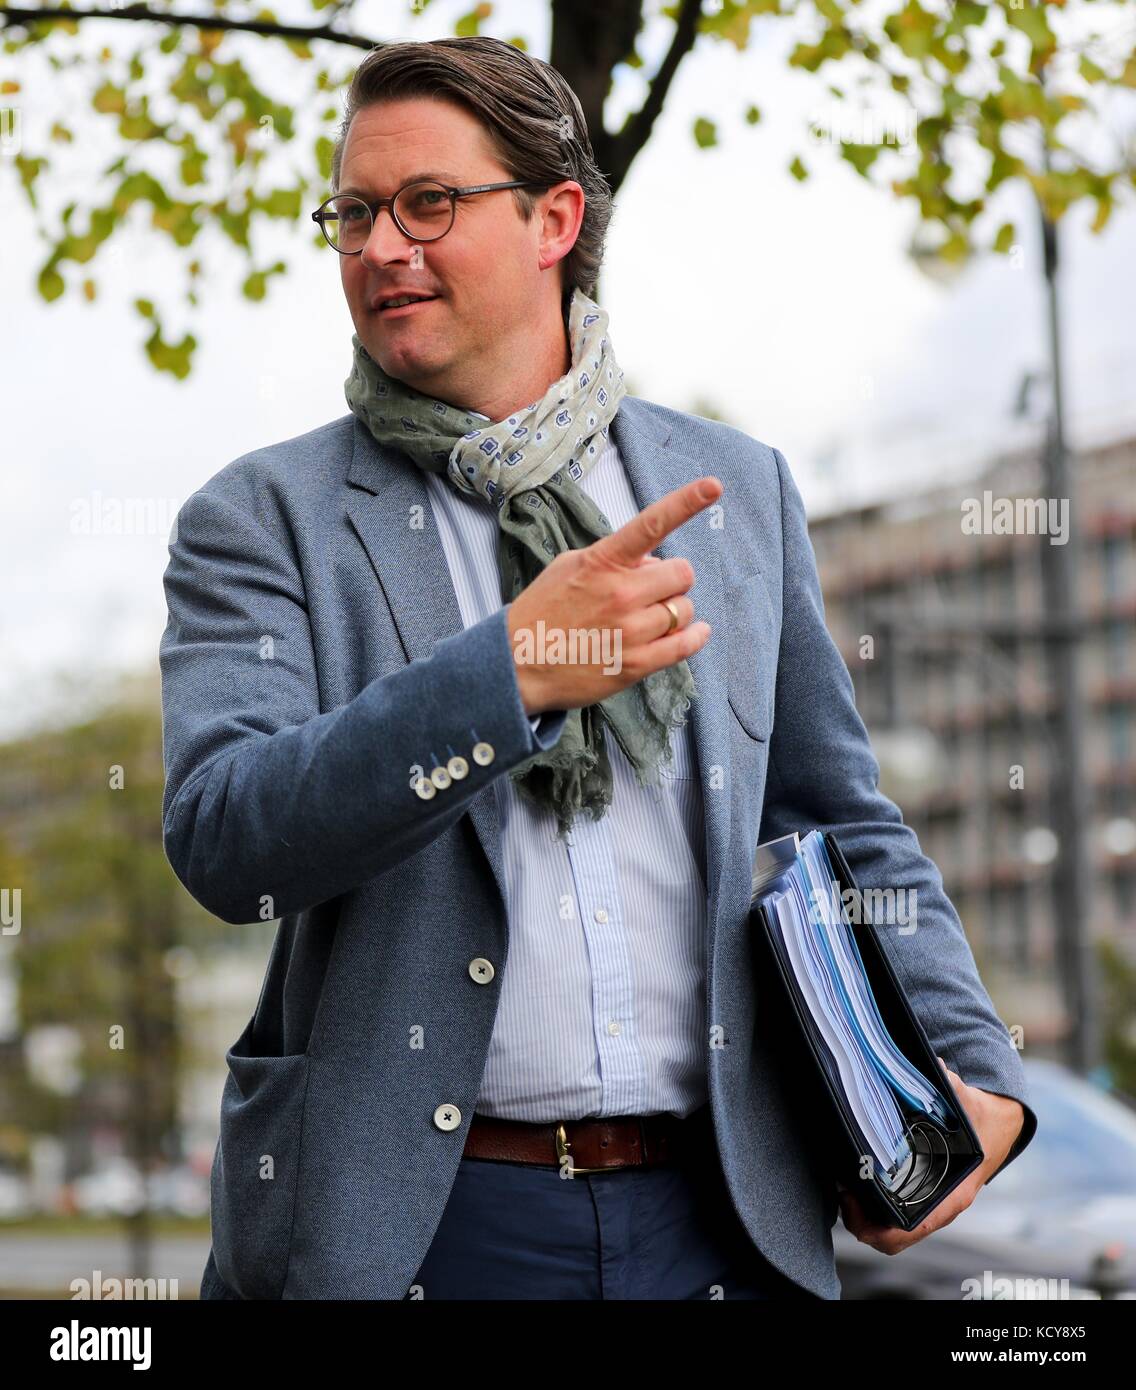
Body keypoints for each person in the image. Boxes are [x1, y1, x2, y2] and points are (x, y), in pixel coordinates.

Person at [159, 35, 1035, 1301]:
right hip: (419, 1227)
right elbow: (226, 839)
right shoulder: (261, 516)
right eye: (352, 214)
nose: (380, 249)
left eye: (427, 205)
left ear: (552, 219)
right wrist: (505, 673)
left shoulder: (735, 488)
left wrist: (977, 1072)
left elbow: (835, 812)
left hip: (727, 1214)